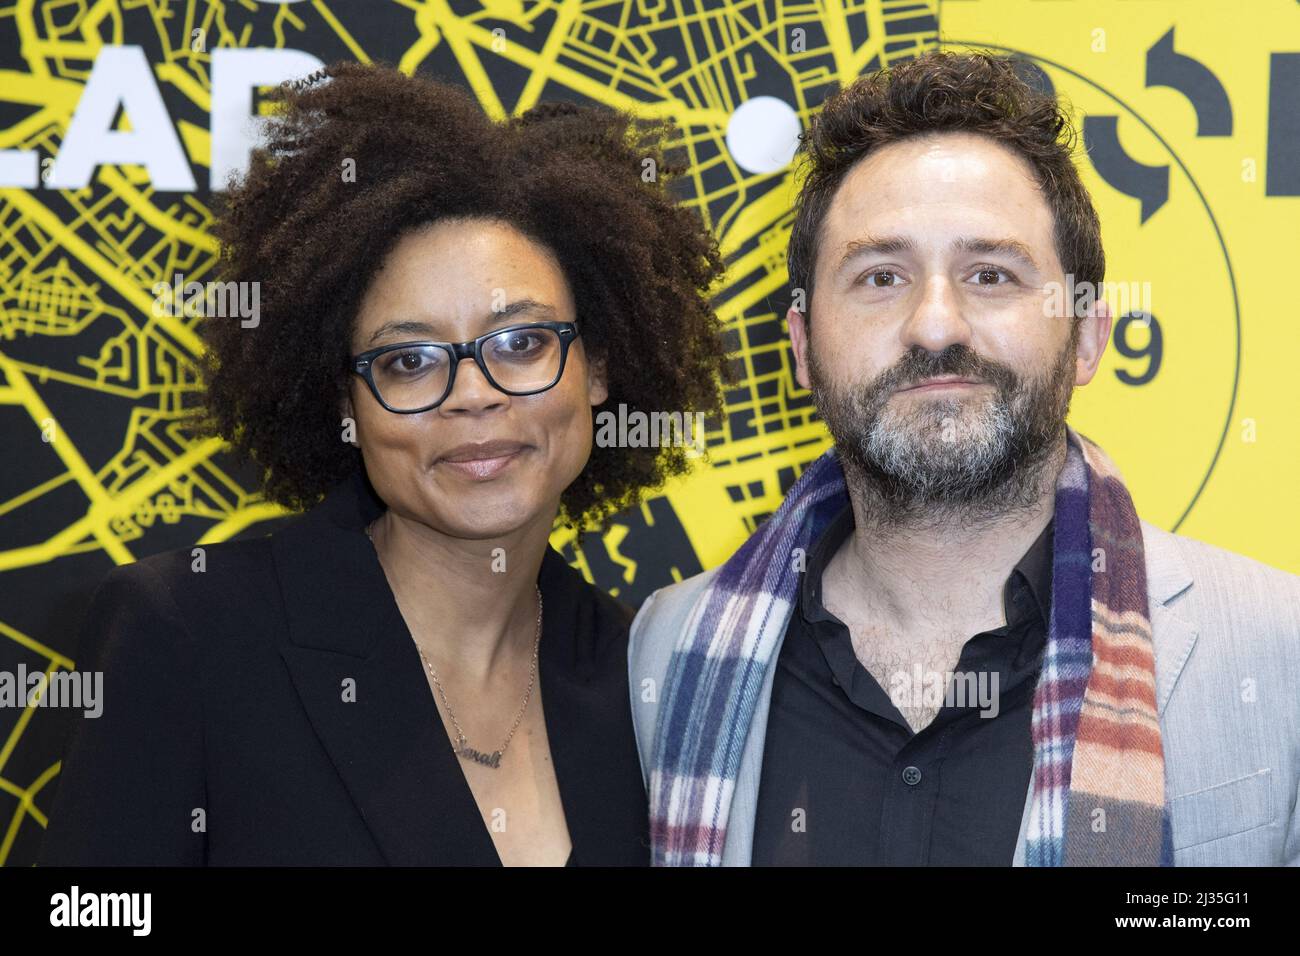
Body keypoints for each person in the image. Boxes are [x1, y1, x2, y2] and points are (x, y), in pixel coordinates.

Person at [37, 61, 728, 866]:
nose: (473, 394)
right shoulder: (191, 634)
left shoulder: (644, 678)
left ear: (599, 369)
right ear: (343, 404)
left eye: (521, 342)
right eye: (408, 361)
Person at [628, 50, 1300, 866]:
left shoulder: (1278, 651)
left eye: (990, 273)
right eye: (881, 276)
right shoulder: (668, 651)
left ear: (1086, 334)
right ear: (803, 349)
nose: (935, 326)